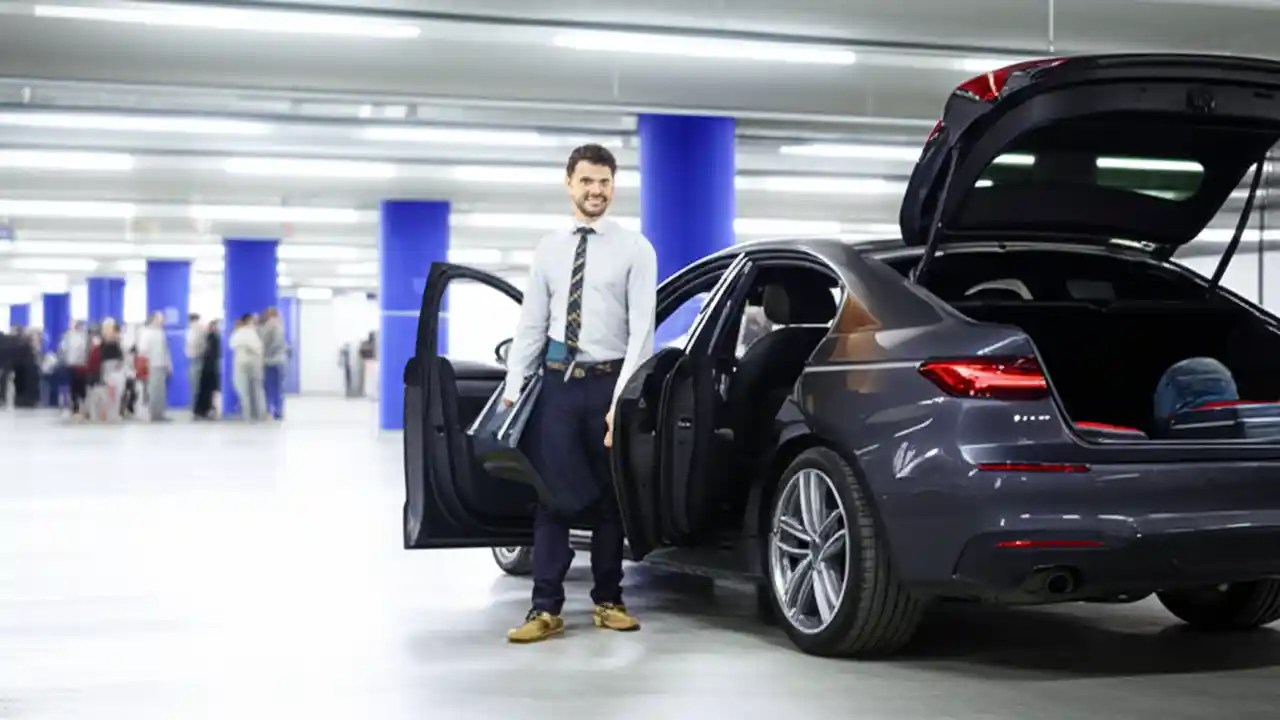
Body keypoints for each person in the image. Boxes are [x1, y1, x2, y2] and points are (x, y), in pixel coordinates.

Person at [501, 144, 657, 643]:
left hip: (609, 381)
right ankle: (544, 608)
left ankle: (609, 600)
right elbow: (532, 322)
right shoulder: (549, 248)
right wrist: (513, 386)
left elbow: (642, 333)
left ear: (614, 185)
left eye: (605, 182)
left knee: (610, 497)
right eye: (587, 181)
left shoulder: (635, 248)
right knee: (551, 498)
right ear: (569, 183)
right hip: (556, 386)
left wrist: (621, 403)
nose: (596, 191)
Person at [229, 314, 267, 421]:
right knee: (256, 390)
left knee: (244, 391)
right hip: (254, 364)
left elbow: (232, 344)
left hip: (240, 364)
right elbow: (258, 348)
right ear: (249, 321)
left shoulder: (238, 333)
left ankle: (249, 415)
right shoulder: (252, 332)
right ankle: (258, 415)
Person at [138, 311, 172, 422]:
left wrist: (169, 364)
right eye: (159, 319)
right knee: (152, 390)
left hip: (162, 364)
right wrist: (145, 366)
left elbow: (165, 350)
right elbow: (142, 351)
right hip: (151, 365)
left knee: (161, 392)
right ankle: (152, 414)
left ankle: (160, 413)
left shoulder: (161, 333)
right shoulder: (146, 332)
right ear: (154, 319)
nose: (162, 321)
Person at [258, 307, 288, 420]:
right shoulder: (279, 325)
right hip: (278, 360)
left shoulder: (272, 326)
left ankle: (272, 410)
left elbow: (273, 343)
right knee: (277, 387)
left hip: (271, 360)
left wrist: (264, 353)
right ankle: (277, 410)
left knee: (271, 387)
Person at [58, 321, 91, 418]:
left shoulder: (68, 337)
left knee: (74, 388)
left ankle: (76, 407)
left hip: (72, 366)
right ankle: (79, 407)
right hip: (80, 366)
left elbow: (62, 350)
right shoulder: (84, 337)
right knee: (80, 388)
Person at [193, 319, 221, 419]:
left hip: (207, 368)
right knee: (209, 391)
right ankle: (206, 410)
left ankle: (202, 410)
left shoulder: (209, 338)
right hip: (210, 368)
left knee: (205, 390)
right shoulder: (213, 338)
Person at [185, 312, 206, 411]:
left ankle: (195, 407)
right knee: (195, 384)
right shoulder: (197, 329)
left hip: (196, 358)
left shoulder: (196, 329)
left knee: (195, 385)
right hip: (196, 358)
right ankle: (195, 406)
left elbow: (194, 344)